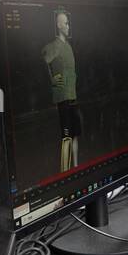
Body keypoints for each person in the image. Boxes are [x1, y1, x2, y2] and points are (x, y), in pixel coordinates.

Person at [41, 9, 79, 172]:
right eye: (65, 23)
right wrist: (51, 79)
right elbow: (43, 60)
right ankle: (66, 172)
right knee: (67, 136)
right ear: (58, 25)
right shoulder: (53, 46)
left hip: (72, 96)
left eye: (68, 23)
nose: (68, 26)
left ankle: (77, 168)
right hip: (63, 97)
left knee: (75, 133)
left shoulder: (68, 46)